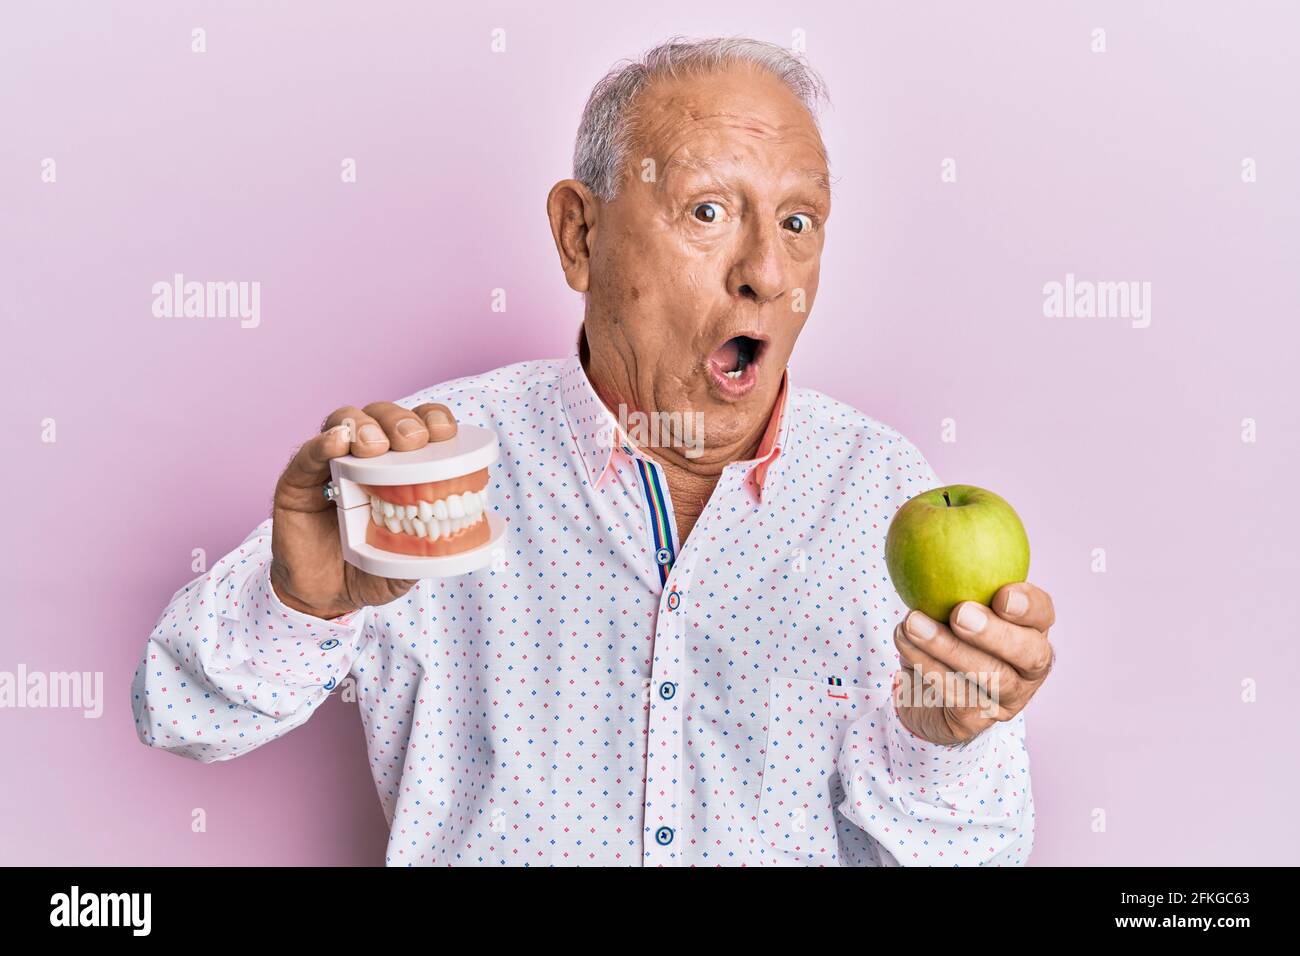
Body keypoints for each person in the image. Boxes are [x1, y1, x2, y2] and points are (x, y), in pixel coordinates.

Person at [132, 36, 1055, 866]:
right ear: (580, 235)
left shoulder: (879, 488)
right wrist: (300, 604)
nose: (767, 274)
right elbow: (175, 712)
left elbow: (976, 861)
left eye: (798, 223)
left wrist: (942, 742)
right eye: (706, 212)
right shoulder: (427, 470)